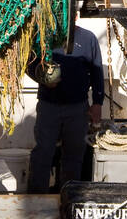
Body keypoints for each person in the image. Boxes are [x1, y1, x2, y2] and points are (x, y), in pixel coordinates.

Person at [28, 18, 105, 193]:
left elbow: (97, 72)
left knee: (74, 154)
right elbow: (29, 66)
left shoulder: (88, 38)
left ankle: (69, 196)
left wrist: (97, 104)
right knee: (43, 153)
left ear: (74, 14)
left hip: (78, 108)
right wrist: (43, 79)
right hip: (48, 106)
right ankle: (36, 196)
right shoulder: (42, 38)